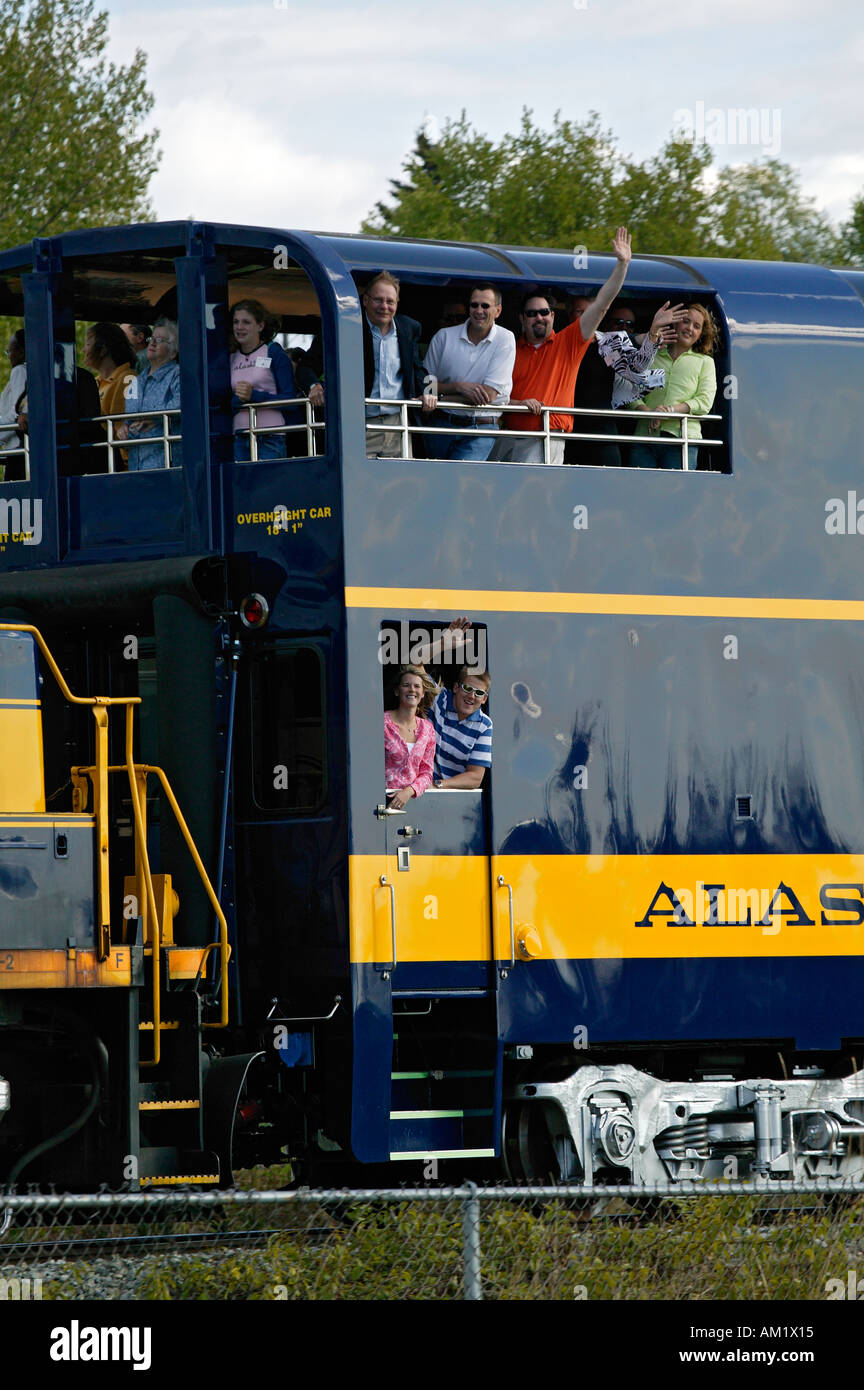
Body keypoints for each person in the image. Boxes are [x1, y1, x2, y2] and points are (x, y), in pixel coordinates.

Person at [492, 229, 678, 465]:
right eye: (532, 313)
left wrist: (622, 265)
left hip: (545, 438)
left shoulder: (568, 342)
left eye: (544, 312)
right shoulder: (508, 347)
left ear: (553, 315)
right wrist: (518, 404)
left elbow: (602, 304)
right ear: (521, 318)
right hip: (507, 437)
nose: (539, 317)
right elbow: (493, 394)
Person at [421, 285, 516, 460]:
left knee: (460, 484)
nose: (479, 310)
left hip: (481, 429)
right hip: (440, 425)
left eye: (485, 306)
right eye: (474, 305)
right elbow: (426, 384)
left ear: (498, 311)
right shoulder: (444, 336)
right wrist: (459, 387)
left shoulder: (506, 338)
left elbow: (488, 395)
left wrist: (441, 398)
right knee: (434, 483)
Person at [627, 304, 718, 470]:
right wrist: (649, 413)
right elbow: (631, 389)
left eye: (696, 326)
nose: (689, 328)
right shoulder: (652, 354)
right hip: (644, 438)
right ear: (675, 323)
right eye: (686, 321)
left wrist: (669, 410)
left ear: (700, 334)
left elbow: (704, 401)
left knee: (676, 494)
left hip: (682, 442)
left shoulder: (705, 362)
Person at [229, 298, 302, 461]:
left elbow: (291, 400)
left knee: (267, 486)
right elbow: (225, 400)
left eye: (246, 322)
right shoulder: (231, 357)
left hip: (270, 436)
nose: (239, 327)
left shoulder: (273, 353)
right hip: (240, 435)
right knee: (242, 487)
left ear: (260, 326)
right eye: (236, 322)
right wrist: (235, 401)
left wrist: (254, 396)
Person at [118, 318, 181, 471]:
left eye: (160, 340)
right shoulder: (136, 381)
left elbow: (182, 405)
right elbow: (129, 419)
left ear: (173, 352)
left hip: (167, 465)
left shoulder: (178, 374)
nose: (152, 343)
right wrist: (123, 429)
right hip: (136, 466)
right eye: (152, 338)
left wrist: (153, 417)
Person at [84, 324, 138, 468]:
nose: (84, 350)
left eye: (88, 344)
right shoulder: (94, 382)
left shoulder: (128, 378)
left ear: (103, 349)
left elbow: (122, 429)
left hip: (119, 465)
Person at [430, 666, 492, 789]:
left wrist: (437, 785)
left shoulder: (484, 725)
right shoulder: (439, 699)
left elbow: (475, 777)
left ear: (484, 699)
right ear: (456, 687)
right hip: (414, 789)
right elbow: (414, 666)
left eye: (479, 693)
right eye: (467, 688)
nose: (472, 696)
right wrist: (445, 645)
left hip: (450, 797)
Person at [384, 665, 437, 809]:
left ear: (423, 692)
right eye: (406, 685)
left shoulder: (428, 729)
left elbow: (426, 773)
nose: (412, 689)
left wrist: (408, 792)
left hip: (414, 803)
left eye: (417, 686)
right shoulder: (381, 723)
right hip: (382, 802)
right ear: (397, 691)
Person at [0, 330, 26, 479]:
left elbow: (16, 412)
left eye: (9, 351)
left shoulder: (19, 371)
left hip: (18, 450)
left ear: (21, 352)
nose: (9, 356)